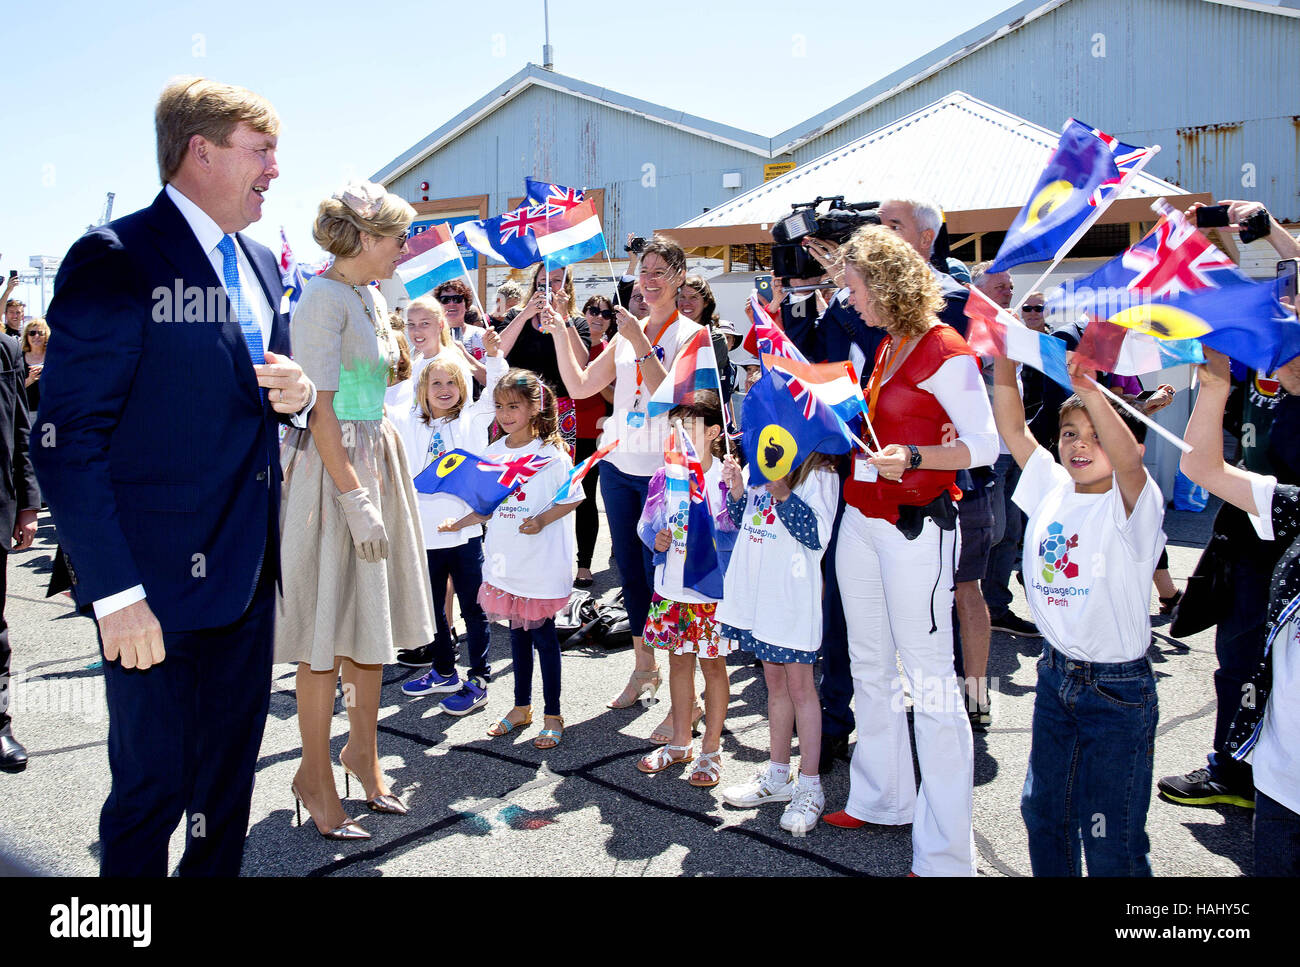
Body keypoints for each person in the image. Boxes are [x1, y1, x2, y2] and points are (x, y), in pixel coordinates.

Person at [32, 77, 315, 875]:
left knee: (223, 796)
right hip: (151, 594)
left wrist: (296, 396)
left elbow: (249, 389)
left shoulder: (261, 260)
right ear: (201, 151)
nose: (275, 170)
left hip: (247, 583)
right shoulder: (115, 257)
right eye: (260, 151)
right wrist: (116, 595)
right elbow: (65, 438)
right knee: (150, 794)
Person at [819, 226, 997, 878]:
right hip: (864, 522)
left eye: (856, 288)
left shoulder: (947, 350)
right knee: (870, 664)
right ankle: (883, 796)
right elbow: (874, 428)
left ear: (888, 285)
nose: (849, 301)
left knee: (929, 680)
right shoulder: (889, 343)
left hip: (917, 525)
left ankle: (948, 852)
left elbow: (984, 446)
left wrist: (916, 457)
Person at [276, 179, 434, 838]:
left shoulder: (368, 293)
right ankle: (313, 774)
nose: (405, 246)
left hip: (374, 455)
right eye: (397, 236)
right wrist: (353, 496)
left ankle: (362, 754)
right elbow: (322, 412)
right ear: (364, 238)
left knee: (370, 626)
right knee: (323, 637)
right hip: (335, 468)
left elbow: (368, 386)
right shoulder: (320, 298)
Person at [993, 351, 1164, 875]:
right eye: (1069, 433)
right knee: (1043, 811)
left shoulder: (1135, 503)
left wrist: (1088, 386)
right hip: (1056, 675)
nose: (1079, 444)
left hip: (1116, 693)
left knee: (1109, 835)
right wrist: (1003, 356)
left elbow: (1130, 463)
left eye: (1095, 434)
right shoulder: (1053, 484)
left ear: (1125, 442)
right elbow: (1014, 428)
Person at [543, 236, 705, 726]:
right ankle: (643, 668)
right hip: (618, 468)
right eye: (643, 271)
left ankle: (688, 694)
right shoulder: (624, 333)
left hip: (667, 473)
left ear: (678, 278)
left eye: (659, 272)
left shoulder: (692, 335)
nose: (648, 280)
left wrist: (639, 342)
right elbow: (578, 385)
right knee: (632, 577)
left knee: (671, 581)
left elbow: (676, 401)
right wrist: (559, 329)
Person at [1178, 346, 1300, 876]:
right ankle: (1233, 769)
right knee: (1239, 656)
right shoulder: (1292, 505)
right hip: (1281, 781)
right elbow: (1202, 467)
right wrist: (1213, 387)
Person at [439, 367, 584, 749]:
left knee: (543, 636)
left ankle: (553, 714)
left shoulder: (551, 455)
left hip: (540, 562)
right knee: (517, 636)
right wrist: (459, 523)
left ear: (535, 408)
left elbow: (573, 498)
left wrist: (540, 520)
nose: (505, 414)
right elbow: (486, 506)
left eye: (514, 406)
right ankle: (521, 707)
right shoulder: (493, 451)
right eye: (500, 406)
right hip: (506, 561)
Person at [718, 447, 839, 835]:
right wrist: (737, 490)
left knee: (802, 688)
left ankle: (810, 787)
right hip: (760, 592)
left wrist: (784, 492)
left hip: (791, 596)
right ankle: (777, 775)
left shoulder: (822, 472)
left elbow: (817, 536)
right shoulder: (760, 461)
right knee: (774, 684)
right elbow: (747, 522)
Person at [396, 329, 506, 714]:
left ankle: (478, 676)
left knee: (473, 608)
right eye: (436, 383)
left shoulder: (474, 419)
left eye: (452, 383)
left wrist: (492, 356)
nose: (444, 389)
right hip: (424, 533)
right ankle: (443, 670)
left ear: (463, 387)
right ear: (423, 390)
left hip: (465, 533)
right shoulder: (410, 423)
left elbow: (495, 388)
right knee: (433, 608)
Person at [634, 393, 734, 786]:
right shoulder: (665, 475)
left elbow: (737, 531)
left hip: (710, 594)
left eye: (687, 426)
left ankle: (711, 748)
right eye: (673, 427)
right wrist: (654, 538)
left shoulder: (726, 477)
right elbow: (646, 525)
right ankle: (680, 741)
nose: (678, 434)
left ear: (712, 432)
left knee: (713, 666)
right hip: (671, 589)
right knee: (678, 662)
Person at [496, 263, 590, 455]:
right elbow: (497, 352)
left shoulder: (576, 322)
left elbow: (580, 362)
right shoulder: (516, 315)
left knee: (554, 470)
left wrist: (564, 318)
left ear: (567, 286)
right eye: (543, 282)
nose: (549, 286)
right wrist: (526, 314)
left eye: (556, 281)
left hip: (557, 410)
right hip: (515, 405)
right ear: (534, 285)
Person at [0, 321, 39, 771]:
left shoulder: (7, 349)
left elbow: (19, 430)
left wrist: (28, 505)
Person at [573, 294, 615, 588]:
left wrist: (593, 377)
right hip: (562, 434)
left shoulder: (612, 350)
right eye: (592, 310)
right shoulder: (568, 343)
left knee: (585, 501)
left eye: (605, 313)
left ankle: (584, 564)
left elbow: (617, 397)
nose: (598, 316)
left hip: (595, 436)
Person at [676, 274, 733, 406]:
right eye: (682, 297)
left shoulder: (714, 338)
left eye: (693, 297)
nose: (686, 303)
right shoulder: (671, 333)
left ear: (706, 302)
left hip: (699, 414)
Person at [20, 317, 49, 415]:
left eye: (40, 333)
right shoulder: (19, 357)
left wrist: (46, 371)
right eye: (32, 333)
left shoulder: (53, 357)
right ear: (26, 336)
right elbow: (13, 388)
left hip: (50, 411)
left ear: (46, 336)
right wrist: (30, 379)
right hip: (26, 412)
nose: (36, 336)